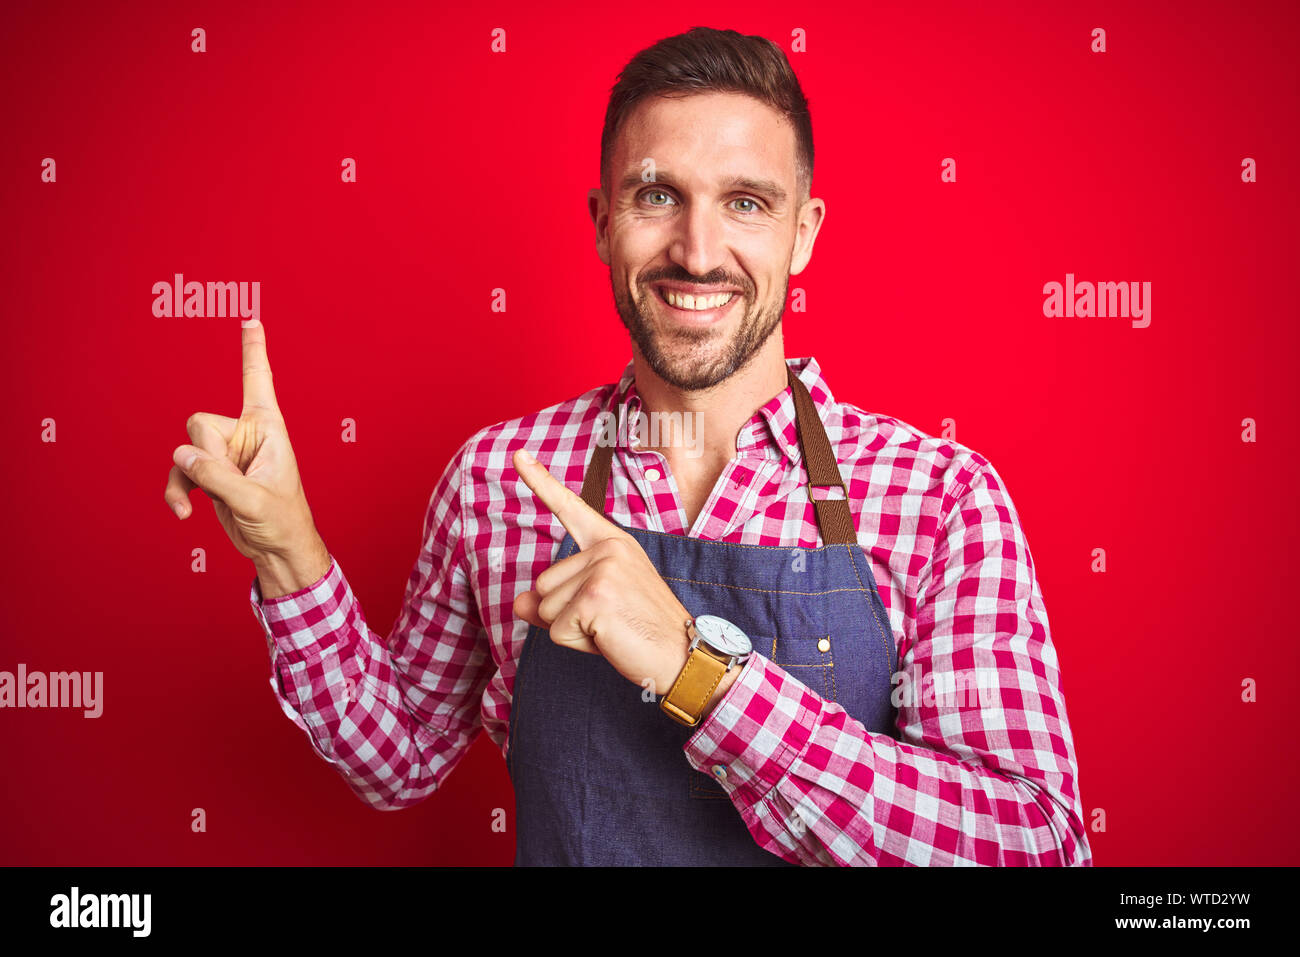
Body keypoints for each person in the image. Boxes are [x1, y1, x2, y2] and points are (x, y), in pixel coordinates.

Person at [162, 26, 1090, 866]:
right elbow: (397, 758)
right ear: (603, 220)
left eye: (746, 203)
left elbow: (1035, 845)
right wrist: (290, 552)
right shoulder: (500, 479)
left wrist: (698, 671)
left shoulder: (938, 496)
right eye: (657, 196)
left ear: (802, 235)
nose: (697, 249)